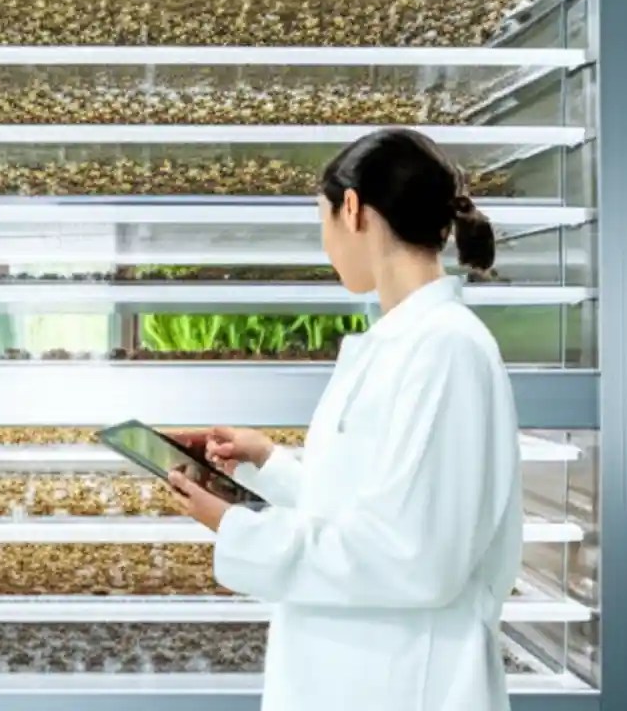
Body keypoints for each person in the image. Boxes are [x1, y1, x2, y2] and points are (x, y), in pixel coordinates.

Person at [169, 127, 522, 711]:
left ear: (352, 209)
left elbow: (414, 558)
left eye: (323, 219)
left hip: (406, 686)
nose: (325, 242)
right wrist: (268, 464)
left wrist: (238, 527)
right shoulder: (404, 342)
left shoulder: (445, 350)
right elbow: (374, 504)